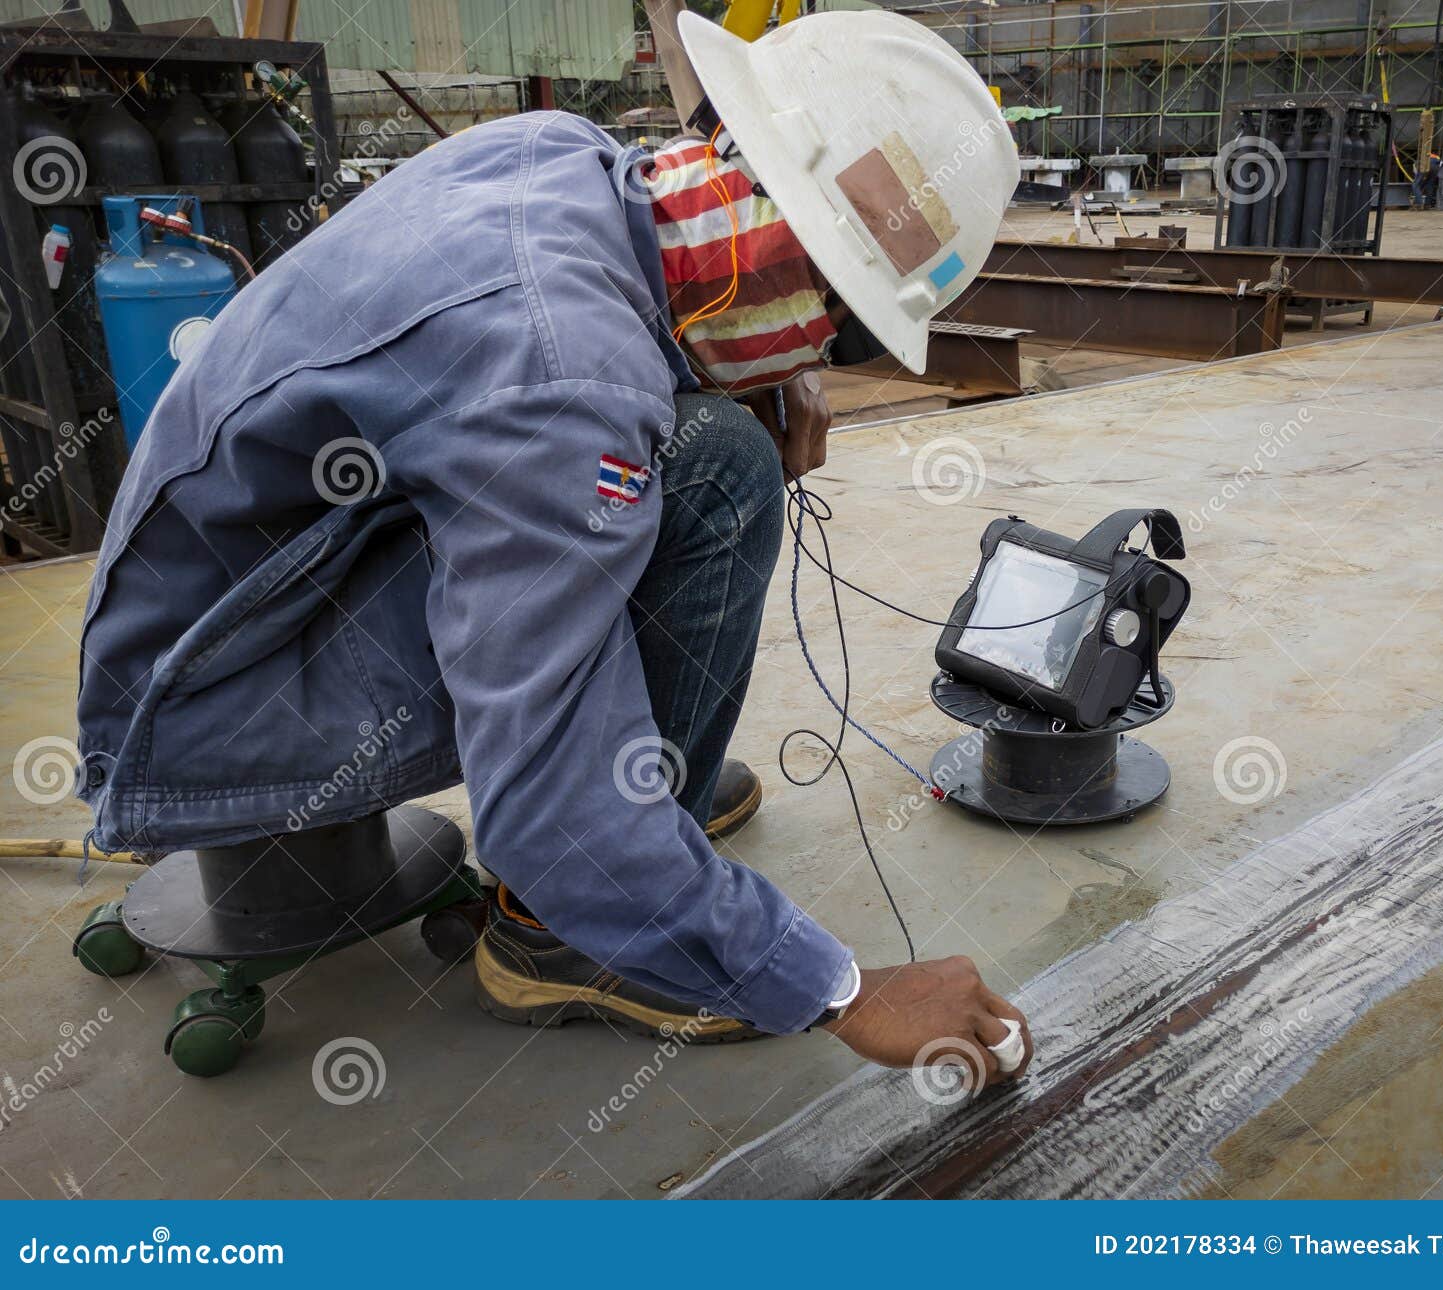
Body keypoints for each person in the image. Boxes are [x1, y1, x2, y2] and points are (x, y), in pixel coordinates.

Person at [76, 11, 1031, 1085]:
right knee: (714, 465)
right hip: (215, 699)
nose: (821, 353)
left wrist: (771, 366)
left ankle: (649, 798)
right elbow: (547, 814)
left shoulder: (556, 153)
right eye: (841, 329)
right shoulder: (563, 387)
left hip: (241, 597)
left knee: (704, 444)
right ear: (774, 257)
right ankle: (559, 930)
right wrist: (841, 988)